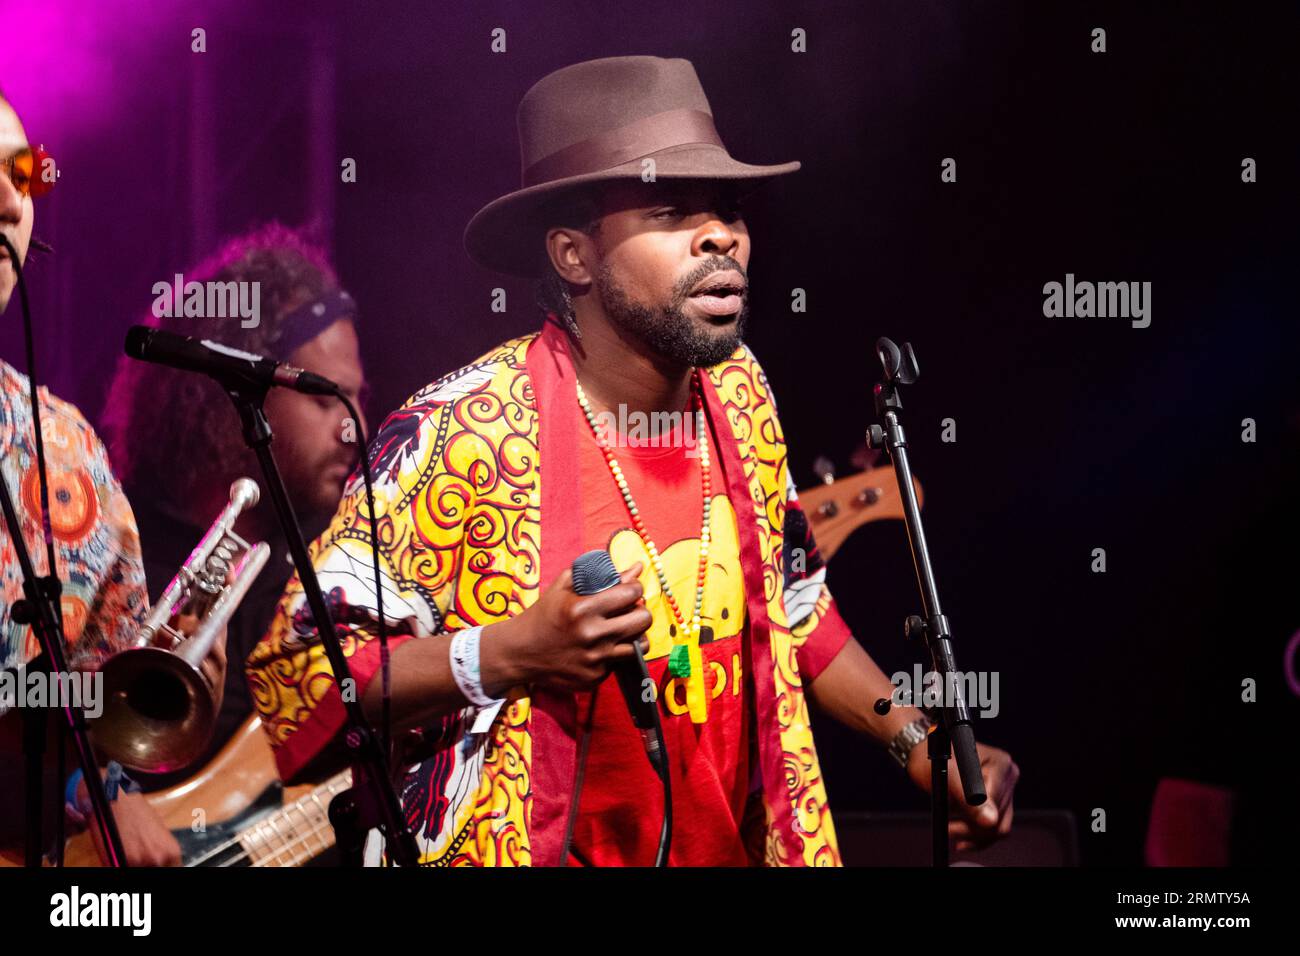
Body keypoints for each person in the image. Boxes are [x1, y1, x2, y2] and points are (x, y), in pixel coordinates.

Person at [248, 56, 1019, 865]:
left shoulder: (740, 393)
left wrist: (921, 747)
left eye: (726, 210)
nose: (720, 234)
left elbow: (792, 606)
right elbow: (300, 677)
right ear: (575, 256)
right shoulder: (464, 431)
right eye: (669, 209)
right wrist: (505, 653)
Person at [0, 85, 212, 866]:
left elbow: (88, 699)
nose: (7, 201)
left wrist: (100, 785)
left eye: (22, 174)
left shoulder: (65, 444)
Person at [102, 223, 368, 792]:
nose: (355, 428)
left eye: (354, 397)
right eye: (323, 399)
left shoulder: (330, 564)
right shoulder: (111, 545)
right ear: (228, 400)